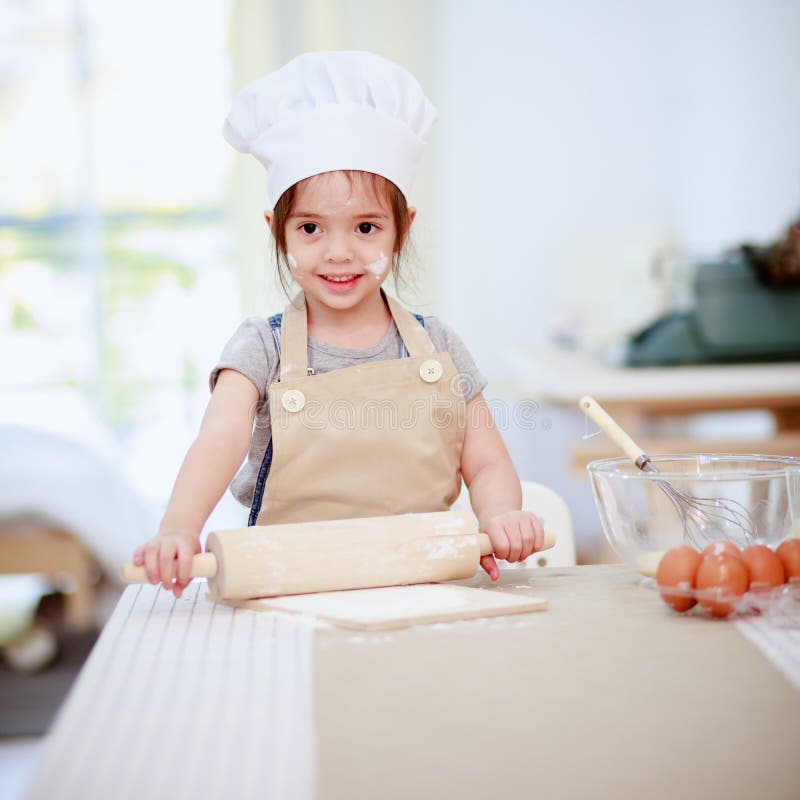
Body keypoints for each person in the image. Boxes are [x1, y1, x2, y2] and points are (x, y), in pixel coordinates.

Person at [132, 51, 545, 598]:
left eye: (366, 227)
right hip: (290, 588)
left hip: (425, 584)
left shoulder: (438, 346)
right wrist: (180, 527)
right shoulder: (263, 346)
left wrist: (500, 516)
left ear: (403, 228)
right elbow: (221, 438)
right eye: (310, 228)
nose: (339, 252)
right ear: (277, 233)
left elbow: (488, 461)